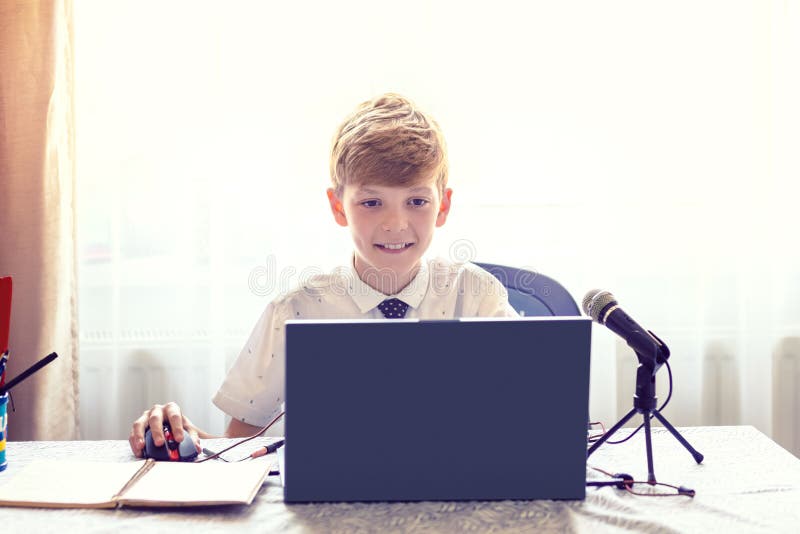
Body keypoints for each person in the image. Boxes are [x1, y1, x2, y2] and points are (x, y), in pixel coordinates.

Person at [128, 93, 516, 457]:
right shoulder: (294, 311)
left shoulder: (479, 296)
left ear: (443, 206)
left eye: (417, 201)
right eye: (371, 202)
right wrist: (180, 436)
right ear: (338, 207)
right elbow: (240, 449)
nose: (396, 223)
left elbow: (526, 416)